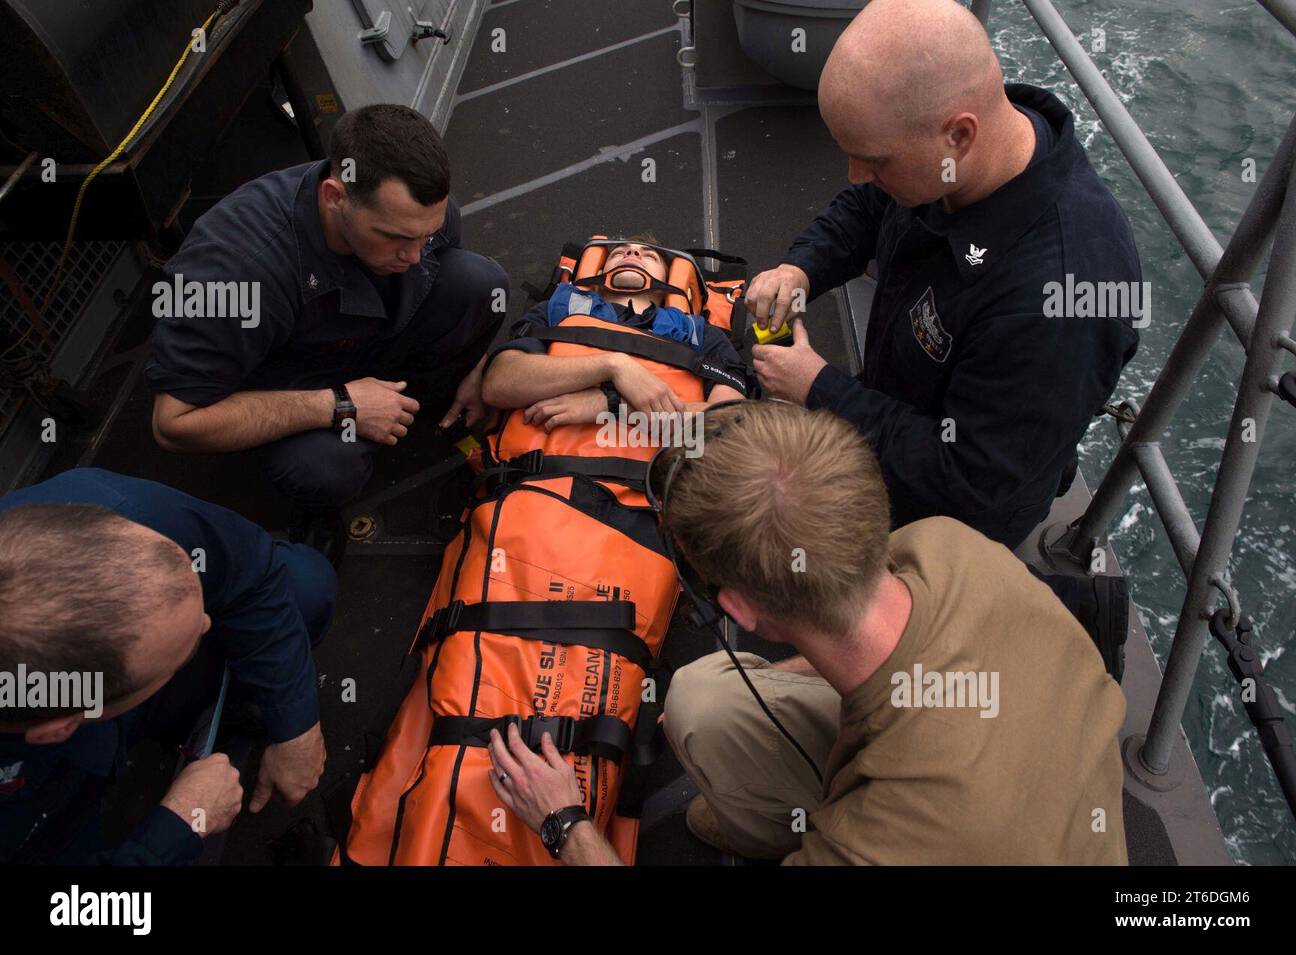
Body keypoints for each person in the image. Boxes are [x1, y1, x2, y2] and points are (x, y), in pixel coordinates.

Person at [486, 401, 1128, 865]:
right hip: (1021, 787)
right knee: (705, 700)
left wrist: (562, 821)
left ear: (738, 610)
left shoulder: (885, 840)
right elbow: (861, 653)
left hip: (948, 834)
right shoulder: (950, 544)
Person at [747, 0, 1140, 553]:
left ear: (958, 135)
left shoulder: (1060, 301)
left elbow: (970, 480)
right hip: (895, 413)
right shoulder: (961, 159)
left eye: (876, 161)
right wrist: (800, 269)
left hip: (951, 526)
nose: (857, 177)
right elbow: (867, 206)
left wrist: (819, 388)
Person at [146, 104, 509, 561]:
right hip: (293, 379)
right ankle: (317, 507)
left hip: (364, 337)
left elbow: (434, 262)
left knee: (481, 284)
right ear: (335, 196)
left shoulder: (417, 215)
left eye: (426, 234)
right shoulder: (235, 272)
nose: (415, 255)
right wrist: (340, 404)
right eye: (395, 237)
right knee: (325, 469)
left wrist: (476, 371)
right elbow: (174, 424)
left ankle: (428, 409)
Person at [0, 468, 334, 864]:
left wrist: (296, 726)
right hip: (36, 804)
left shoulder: (120, 513)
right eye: (184, 652)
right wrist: (177, 829)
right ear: (64, 726)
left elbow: (253, 576)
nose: (208, 624)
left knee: (303, 588)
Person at [481, 236, 747, 422]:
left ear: (666, 279)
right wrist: (612, 366)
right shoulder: (559, 309)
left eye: (649, 255)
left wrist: (614, 406)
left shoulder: (700, 333)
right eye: (619, 252)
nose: (631, 254)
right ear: (601, 271)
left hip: (659, 490)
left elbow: (734, 421)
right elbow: (497, 384)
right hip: (541, 485)